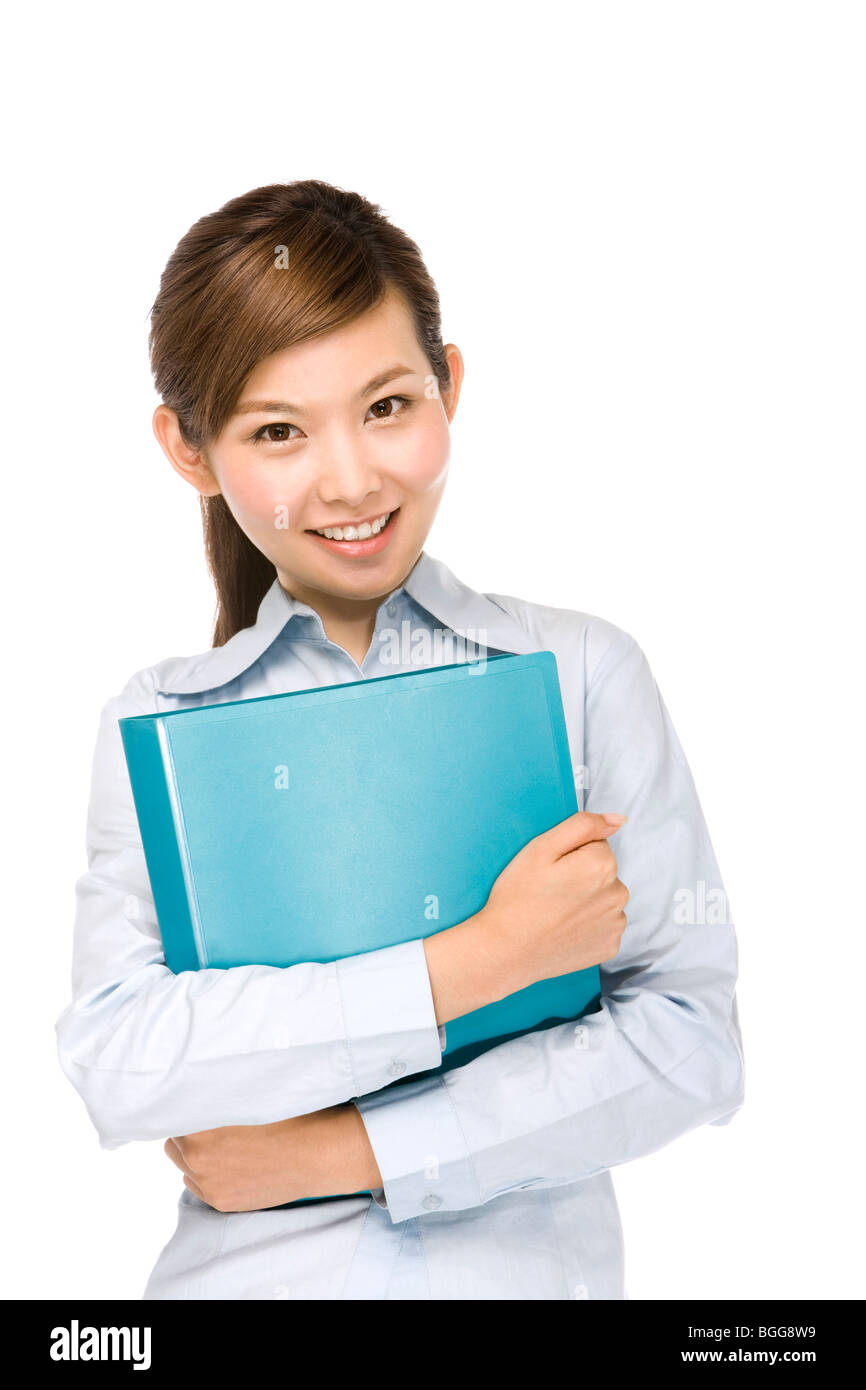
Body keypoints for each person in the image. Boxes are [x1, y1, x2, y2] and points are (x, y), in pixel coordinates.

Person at [54, 179, 745, 1301]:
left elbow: (688, 1045)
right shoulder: (163, 722)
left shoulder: (575, 674)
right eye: (277, 431)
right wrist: (477, 961)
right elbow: (124, 1060)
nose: (351, 479)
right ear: (188, 450)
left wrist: (342, 1153)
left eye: (386, 406)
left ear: (449, 386)